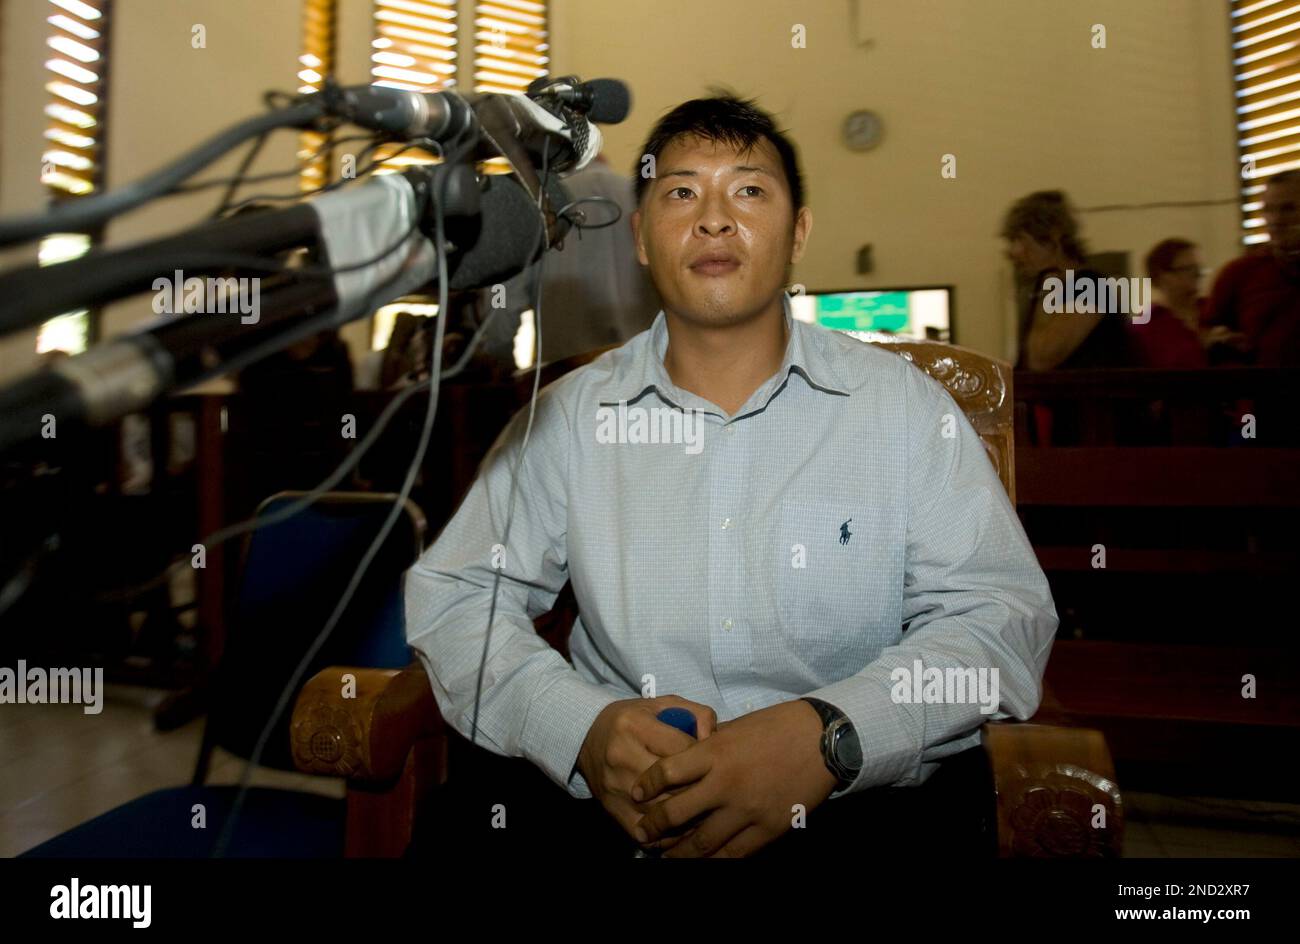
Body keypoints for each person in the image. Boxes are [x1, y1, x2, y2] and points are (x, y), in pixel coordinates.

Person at [403, 94, 1058, 859]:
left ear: (800, 234)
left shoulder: (901, 408)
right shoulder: (570, 417)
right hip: (611, 806)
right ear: (642, 237)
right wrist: (578, 726)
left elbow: (997, 619)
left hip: (858, 803)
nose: (714, 219)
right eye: (681, 192)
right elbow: (457, 598)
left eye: (749, 191)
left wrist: (832, 733)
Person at [479, 153, 663, 369]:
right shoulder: (645, 200)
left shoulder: (534, 206)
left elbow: (502, 295)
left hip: (563, 374)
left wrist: (500, 358)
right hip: (642, 369)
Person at [1003, 190, 1132, 370]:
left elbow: (1042, 357)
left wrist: (1047, 283)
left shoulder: (1091, 286)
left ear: (1054, 237)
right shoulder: (1047, 295)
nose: (1014, 251)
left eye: (1021, 239)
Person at [1203, 169, 1300, 367]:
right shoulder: (1240, 273)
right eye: (1268, 210)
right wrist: (1222, 341)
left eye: (1288, 209)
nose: (1276, 220)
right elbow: (1207, 333)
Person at [1127, 238, 1209, 369]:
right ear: (1161, 276)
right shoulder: (1145, 325)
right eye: (1188, 269)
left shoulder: (1215, 309)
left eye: (1199, 269)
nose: (1198, 275)